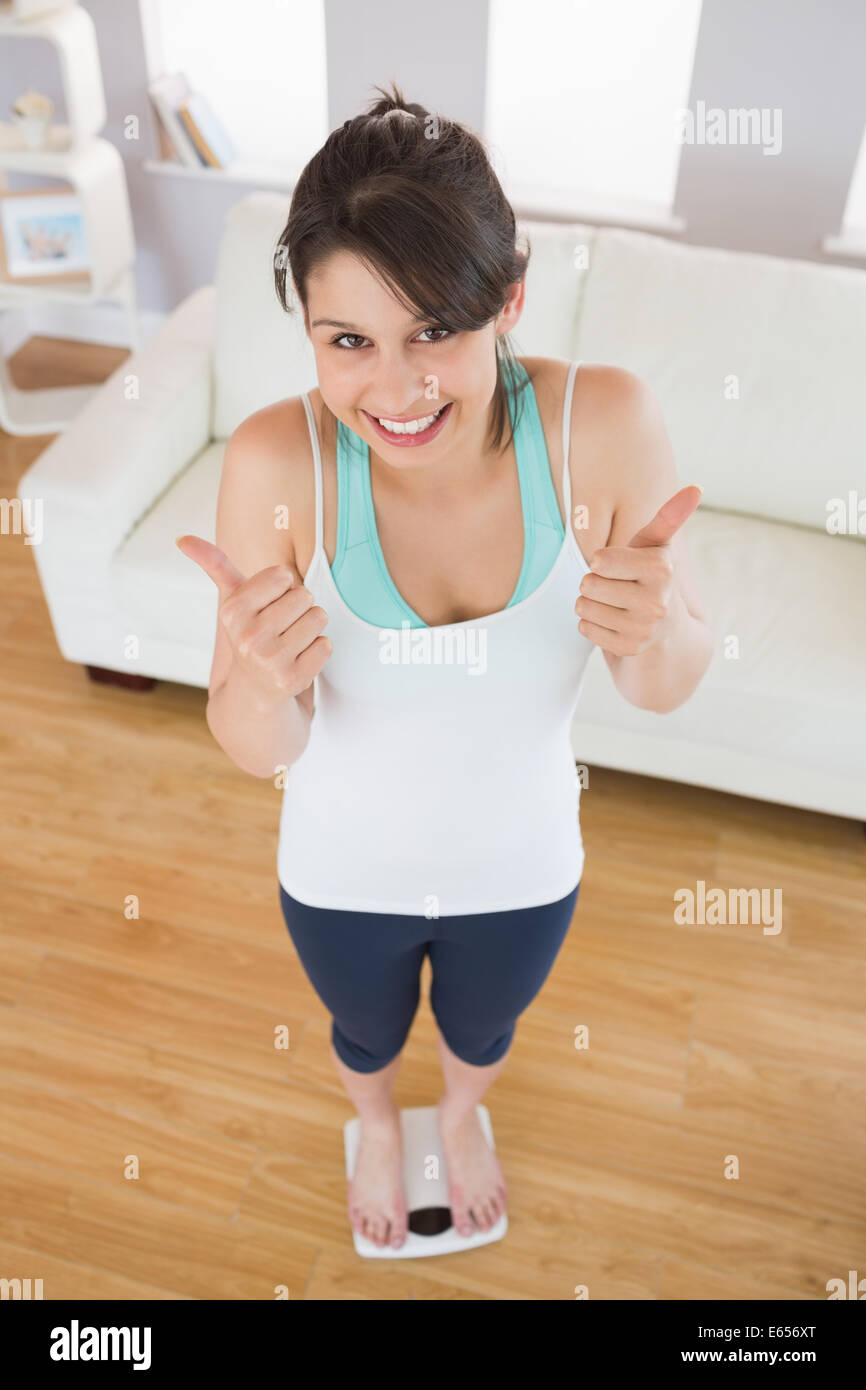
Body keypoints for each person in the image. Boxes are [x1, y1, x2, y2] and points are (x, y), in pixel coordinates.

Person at [177, 82, 712, 1254]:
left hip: (520, 862)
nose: (397, 387)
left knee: (481, 1032)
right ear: (306, 331)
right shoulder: (280, 459)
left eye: (437, 330)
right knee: (363, 1035)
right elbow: (252, 740)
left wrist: (653, 629)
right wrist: (262, 682)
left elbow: (662, 683)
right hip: (339, 865)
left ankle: (461, 1117)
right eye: (348, 342)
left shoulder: (602, 423)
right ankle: (375, 1125)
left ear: (506, 299)